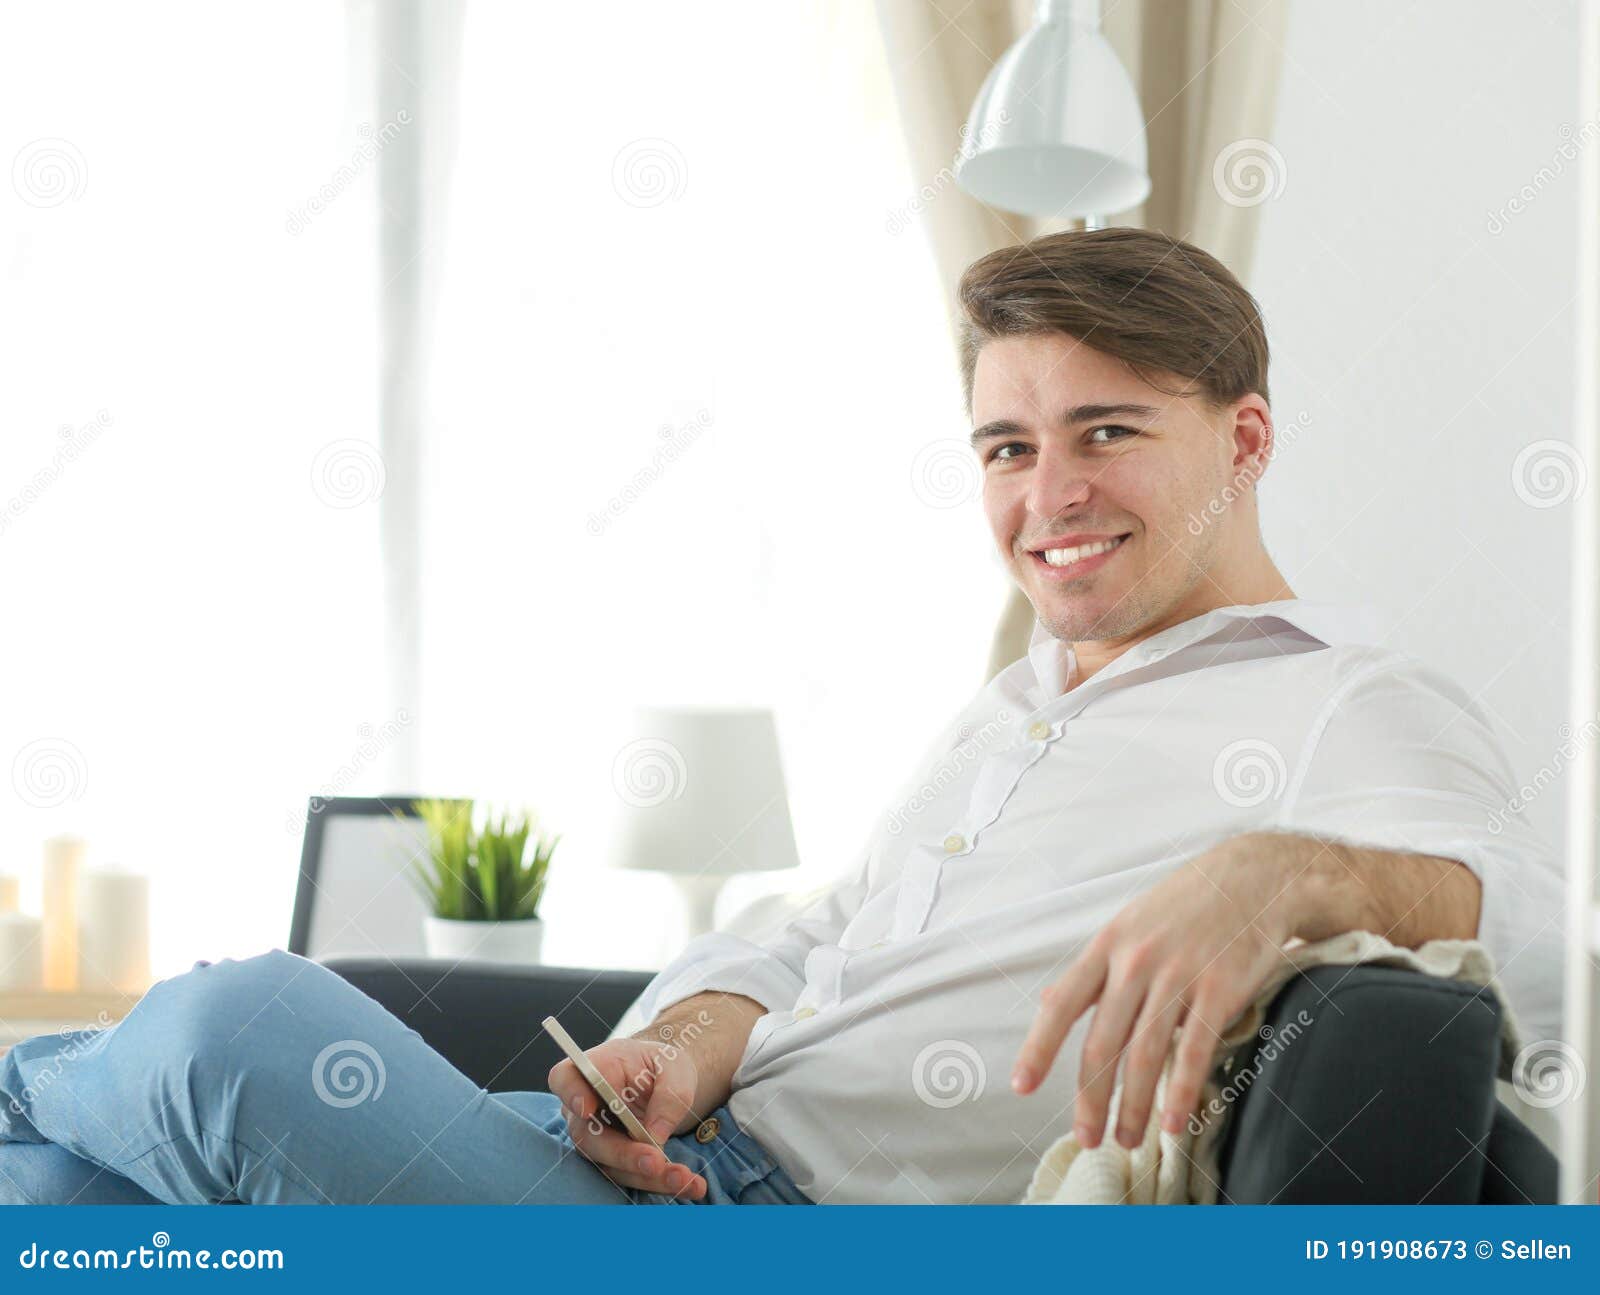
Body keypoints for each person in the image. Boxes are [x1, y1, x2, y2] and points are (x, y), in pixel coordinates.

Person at [0, 228, 1564, 1206]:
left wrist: (1299, 872)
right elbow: (814, 937)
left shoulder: (1340, 699)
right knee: (56, 1202)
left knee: (237, 1028)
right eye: (1006, 448)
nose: (1050, 495)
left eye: (1106, 433)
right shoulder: (1015, 705)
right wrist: (683, 1044)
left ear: (1246, 437)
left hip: (772, 1233)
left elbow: (1565, 959)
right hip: (670, 1167)